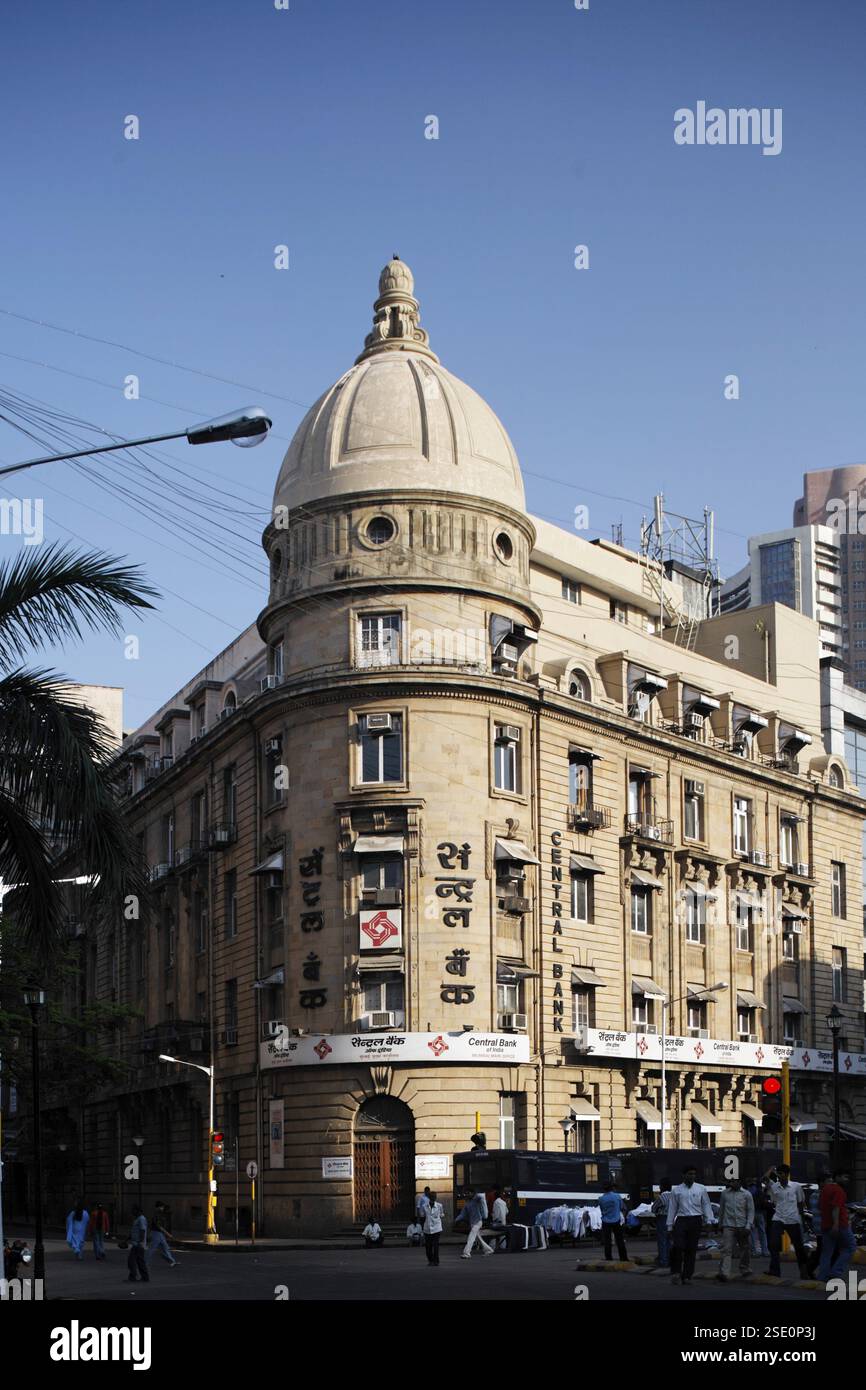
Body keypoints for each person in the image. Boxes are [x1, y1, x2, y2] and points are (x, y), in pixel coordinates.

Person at [668, 1166, 715, 1286]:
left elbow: (706, 1205)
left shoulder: (701, 1188)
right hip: (681, 1220)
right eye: (689, 1174)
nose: (692, 1176)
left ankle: (687, 1276)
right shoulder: (676, 1190)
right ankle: (676, 1272)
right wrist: (669, 1226)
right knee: (678, 1247)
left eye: (694, 1174)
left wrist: (709, 1221)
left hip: (696, 1220)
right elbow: (672, 1208)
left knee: (691, 1249)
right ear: (684, 1175)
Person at [765, 1165, 808, 1278]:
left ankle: (804, 1272)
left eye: (782, 1173)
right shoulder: (774, 1186)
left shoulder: (796, 1187)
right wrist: (771, 1169)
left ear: (787, 1174)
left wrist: (802, 1220)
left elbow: (800, 1204)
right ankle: (774, 1271)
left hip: (792, 1219)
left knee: (799, 1247)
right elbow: (764, 1179)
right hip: (778, 1218)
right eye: (778, 1174)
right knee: (773, 1245)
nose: (779, 1176)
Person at [817, 1169, 856, 1283]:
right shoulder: (839, 1190)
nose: (847, 1180)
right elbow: (836, 1208)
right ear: (837, 1177)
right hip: (840, 1225)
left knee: (827, 1253)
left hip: (825, 1225)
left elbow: (820, 1206)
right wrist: (836, 1224)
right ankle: (835, 1273)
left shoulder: (825, 1189)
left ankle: (822, 1277)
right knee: (850, 1247)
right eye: (845, 1177)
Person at [716, 1177, 754, 1281]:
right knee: (727, 1249)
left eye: (734, 1181)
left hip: (742, 1226)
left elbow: (750, 1211)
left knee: (745, 1248)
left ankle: (744, 1268)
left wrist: (748, 1226)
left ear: (739, 1182)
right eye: (730, 1181)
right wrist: (720, 1224)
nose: (731, 1183)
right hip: (728, 1225)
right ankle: (724, 1273)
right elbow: (722, 1209)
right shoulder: (725, 1194)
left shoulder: (747, 1194)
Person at [598, 1178, 628, 1262]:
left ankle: (608, 1258)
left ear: (604, 1189)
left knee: (607, 1241)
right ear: (612, 1188)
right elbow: (623, 1208)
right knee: (620, 1240)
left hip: (605, 1221)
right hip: (616, 1220)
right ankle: (623, 1258)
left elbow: (602, 1210)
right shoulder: (617, 1196)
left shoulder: (600, 1199)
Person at [461, 1189, 494, 1258]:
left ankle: (466, 1253)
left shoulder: (476, 1200)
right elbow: (463, 1214)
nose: (466, 1195)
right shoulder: (467, 1203)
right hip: (472, 1223)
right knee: (478, 1238)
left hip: (478, 1222)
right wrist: (457, 1220)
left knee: (471, 1237)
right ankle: (489, 1250)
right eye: (466, 1193)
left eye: (468, 1193)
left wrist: (474, 1194)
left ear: (473, 1194)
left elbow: (481, 1196)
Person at [148, 1202, 179, 1267]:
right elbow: (159, 1226)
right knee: (152, 1248)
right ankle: (144, 1262)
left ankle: (172, 1261)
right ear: (158, 1207)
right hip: (156, 1233)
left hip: (159, 1233)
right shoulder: (156, 1214)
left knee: (165, 1247)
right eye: (162, 1207)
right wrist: (168, 1234)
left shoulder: (159, 1214)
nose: (163, 1208)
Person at [127, 1206, 150, 1283]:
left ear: (138, 1211)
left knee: (132, 1260)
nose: (132, 1212)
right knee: (139, 1261)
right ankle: (144, 1277)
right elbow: (133, 1232)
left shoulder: (141, 1219)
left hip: (138, 1244)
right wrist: (126, 1240)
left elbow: (142, 1231)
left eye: (133, 1210)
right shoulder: (137, 1219)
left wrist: (140, 1242)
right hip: (136, 1243)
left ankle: (133, 1276)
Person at [748, 1178, 770, 1257]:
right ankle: (765, 1250)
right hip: (760, 1213)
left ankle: (754, 1251)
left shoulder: (748, 1191)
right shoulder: (760, 1190)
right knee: (762, 1232)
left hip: (751, 1213)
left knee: (753, 1233)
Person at [652, 1183, 672, 1267]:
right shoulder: (674, 1196)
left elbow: (653, 1208)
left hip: (663, 1219)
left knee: (662, 1241)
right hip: (672, 1219)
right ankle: (670, 1259)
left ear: (662, 1187)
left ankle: (663, 1261)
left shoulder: (661, 1197)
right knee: (669, 1241)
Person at [422, 1190, 445, 1265]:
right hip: (427, 1228)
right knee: (428, 1246)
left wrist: (438, 1217)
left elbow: (442, 1214)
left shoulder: (439, 1205)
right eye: (432, 1197)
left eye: (434, 1197)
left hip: (437, 1228)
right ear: (429, 1197)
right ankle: (430, 1260)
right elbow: (423, 1215)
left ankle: (436, 1261)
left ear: (436, 1197)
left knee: (435, 1245)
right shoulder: (424, 1206)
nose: (433, 1198)